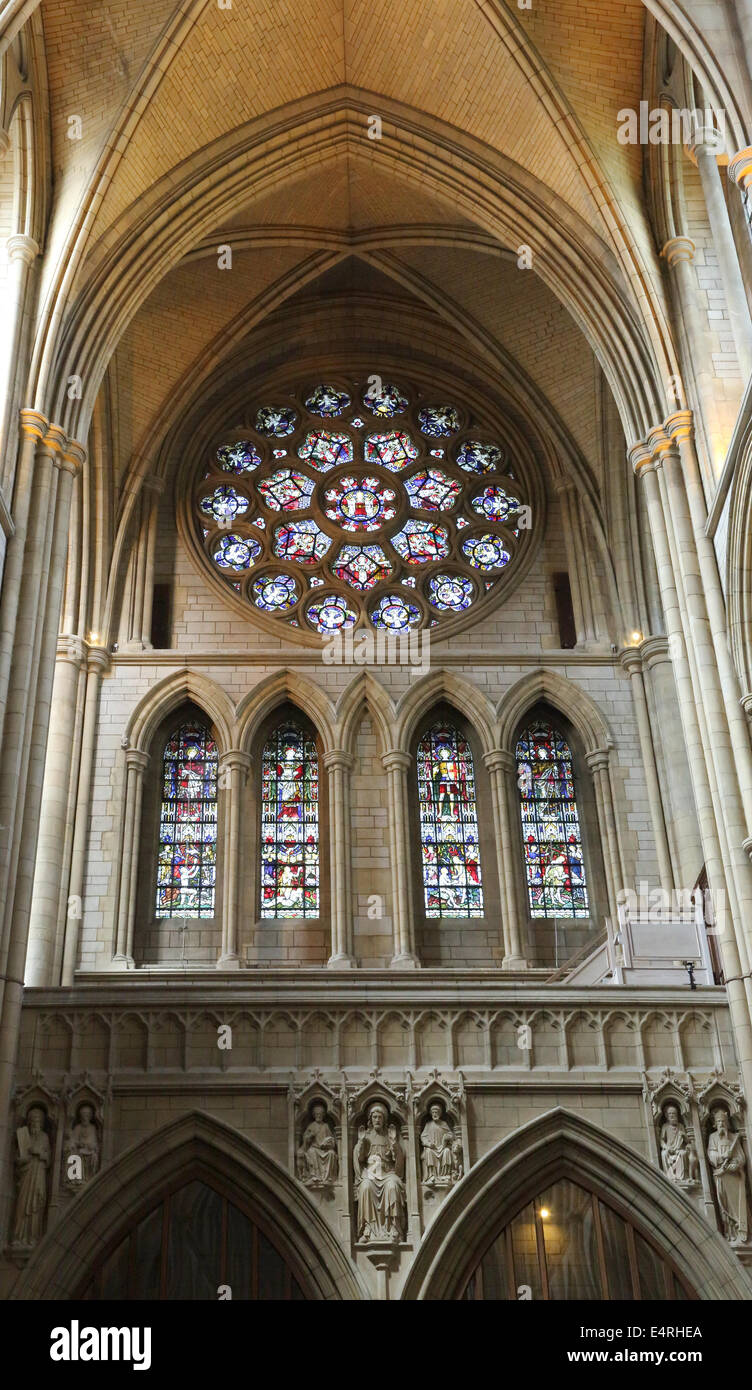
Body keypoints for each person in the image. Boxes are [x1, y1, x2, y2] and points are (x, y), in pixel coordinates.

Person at [353, 1102, 407, 1242]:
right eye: (375, 1117)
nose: (377, 1119)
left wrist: (394, 1145)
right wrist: (360, 1143)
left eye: (380, 1117)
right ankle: (368, 1229)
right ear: (371, 1119)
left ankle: (394, 1227)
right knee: (365, 1186)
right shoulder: (366, 1136)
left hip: (387, 1172)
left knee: (393, 1185)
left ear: (384, 1120)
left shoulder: (389, 1136)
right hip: (371, 1173)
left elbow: (399, 1159)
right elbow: (359, 1158)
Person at [708, 1107, 749, 1245]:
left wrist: (736, 1164)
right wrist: (721, 1157)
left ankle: (741, 1230)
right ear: (715, 1124)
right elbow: (711, 1155)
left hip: (735, 1178)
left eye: (723, 1121)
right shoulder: (712, 1137)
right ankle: (729, 1232)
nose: (721, 1124)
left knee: (737, 1205)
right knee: (724, 1205)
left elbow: (741, 1157)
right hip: (721, 1176)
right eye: (718, 1122)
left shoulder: (733, 1137)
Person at [12, 1106, 51, 1246]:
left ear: (41, 1122)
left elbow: (48, 1158)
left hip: (38, 1174)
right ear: (29, 1122)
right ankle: (19, 1237)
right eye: (32, 1120)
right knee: (22, 1205)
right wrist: (25, 1158)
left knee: (37, 1203)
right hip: (26, 1176)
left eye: (37, 1120)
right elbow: (18, 1159)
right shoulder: (24, 1136)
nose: (35, 1122)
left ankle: (33, 1237)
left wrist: (38, 1152)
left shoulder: (44, 1137)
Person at [297, 1102, 338, 1187]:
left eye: (320, 1114)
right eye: (317, 1114)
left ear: (323, 1115)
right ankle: (314, 1176)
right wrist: (309, 1137)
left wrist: (328, 1143)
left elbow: (332, 1140)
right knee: (312, 1152)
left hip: (325, 1150)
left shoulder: (326, 1126)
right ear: (314, 1115)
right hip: (314, 1149)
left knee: (331, 1153)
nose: (318, 1116)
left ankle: (327, 1178)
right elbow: (305, 1140)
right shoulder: (311, 1126)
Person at [65, 1103, 100, 1183]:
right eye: (83, 1115)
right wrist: (79, 1144)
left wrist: (91, 1146)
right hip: (79, 1150)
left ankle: (88, 1179)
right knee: (74, 1155)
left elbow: (95, 1143)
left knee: (94, 1156)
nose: (85, 1117)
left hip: (89, 1151)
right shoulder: (78, 1127)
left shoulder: (93, 1128)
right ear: (80, 1116)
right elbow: (73, 1141)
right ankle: (77, 1179)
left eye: (87, 1115)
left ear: (90, 1116)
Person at [420, 1103, 454, 1184]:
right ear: (431, 1113)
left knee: (447, 1151)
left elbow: (451, 1135)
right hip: (432, 1148)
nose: (435, 1114)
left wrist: (447, 1137)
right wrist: (428, 1144)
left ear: (439, 1113)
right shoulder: (428, 1124)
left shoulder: (444, 1124)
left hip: (442, 1147)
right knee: (428, 1151)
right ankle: (431, 1175)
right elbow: (423, 1136)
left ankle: (445, 1175)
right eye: (433, 1112)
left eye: (436, 1112)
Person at [659, 1103, 690, 1183]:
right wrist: (666, 1147)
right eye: (670, 1114)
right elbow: (661, 1140)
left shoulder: (680, 1126)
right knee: (663, 1154)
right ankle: (670, 1177)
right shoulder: (665, 1126)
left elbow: (688, 1141)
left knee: (682, 1154)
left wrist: (683, 1135)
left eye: (674, 1113)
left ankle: (680, 1177)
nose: (672, 1115)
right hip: (669, 1150)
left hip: (679, 1149)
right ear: (667, 1116)